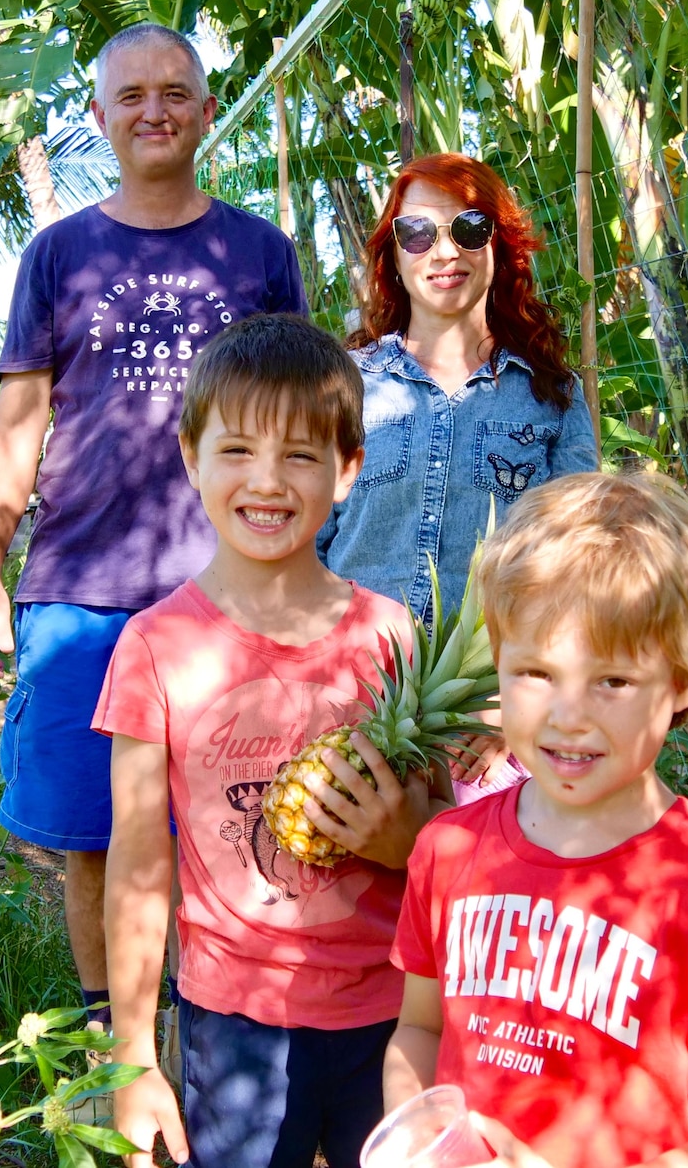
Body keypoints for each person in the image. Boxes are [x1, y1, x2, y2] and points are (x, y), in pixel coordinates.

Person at [0, 22, 307, 1028]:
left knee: (234, 830)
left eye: (176, 91)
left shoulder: (261, 253)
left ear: (202, 110)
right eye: (133, 94)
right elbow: (19, 421)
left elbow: (296, 427)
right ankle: (113, 1045)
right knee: (89, 835)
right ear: (100, 117)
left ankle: (220, 1037)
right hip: (77, 597)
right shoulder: (57, 253)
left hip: (226, 598)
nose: (156, 108)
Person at [99, 315, 452, 1168]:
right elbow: (139, 864)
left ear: (348, 469)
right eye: (238, 451)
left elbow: (447, 835)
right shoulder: (154, 646)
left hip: (388, 1016)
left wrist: (404, 841)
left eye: (300, 454)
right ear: (190, 457)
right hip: (233, 1020)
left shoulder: (393, 637)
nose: (268, 480)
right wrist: (134, 1058)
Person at [382, 472, 688, 1168]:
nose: (567, 714)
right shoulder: (449, 850)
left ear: (686, 682)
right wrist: (417, 1128)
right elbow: (420, 1029)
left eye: (612, 681)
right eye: (536, 673)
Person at [319, 153, 598, 621]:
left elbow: (576, 556)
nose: (445, 252)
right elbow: (306, 544)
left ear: (499, 244)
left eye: (470, 228)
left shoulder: (552, 394)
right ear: (394, 253)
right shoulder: (342, 384)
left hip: (493, 683)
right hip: (357, 678)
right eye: (417, 232)